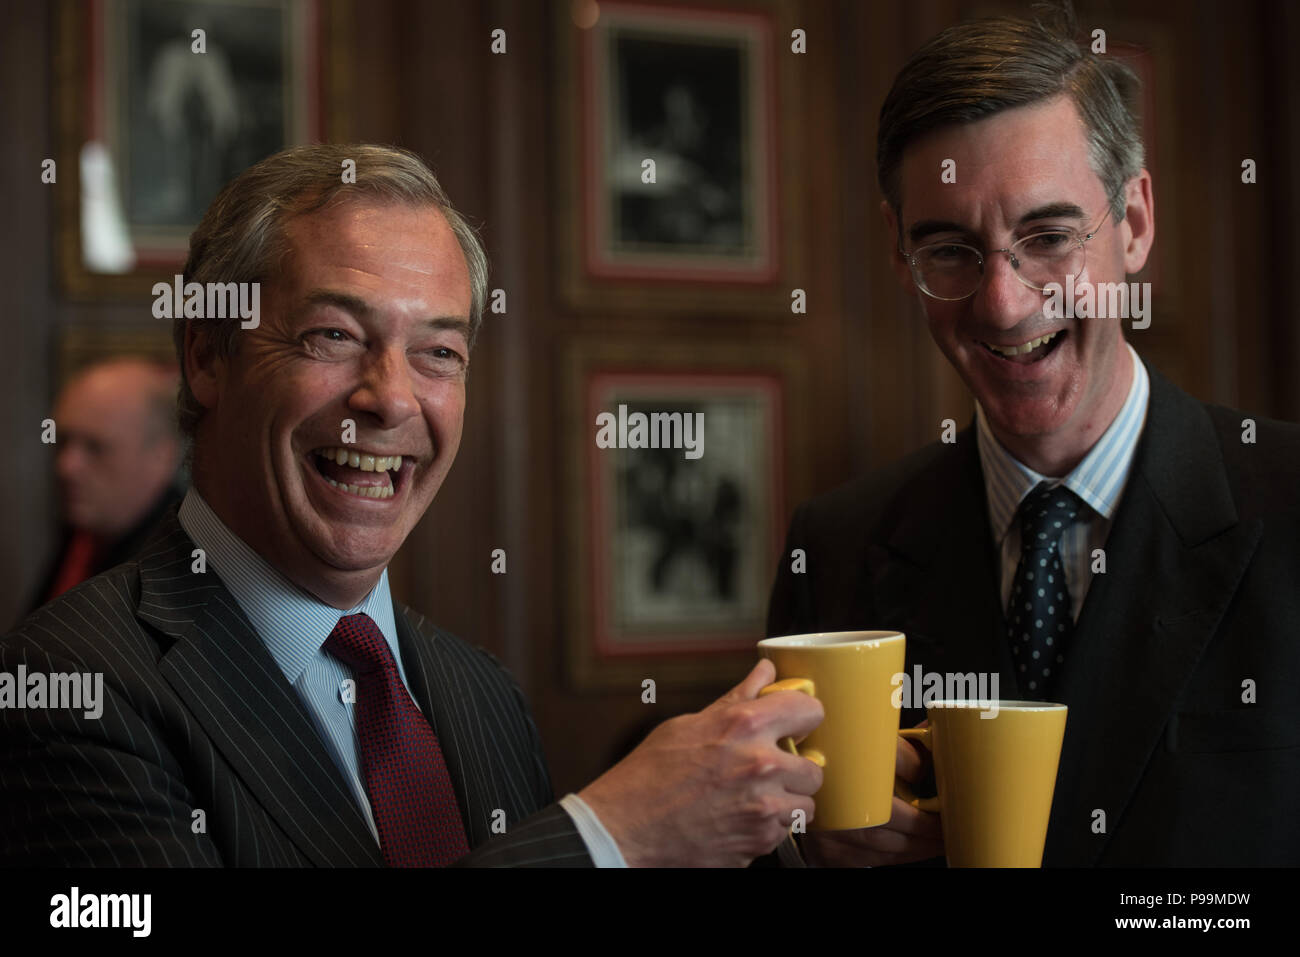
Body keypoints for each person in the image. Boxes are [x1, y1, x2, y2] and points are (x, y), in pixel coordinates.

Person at [0, 144, 823, 867]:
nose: (391, 398)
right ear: (207, 355)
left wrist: (773, 838)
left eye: (437, 351)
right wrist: (607, 836)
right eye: (334, 335)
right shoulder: (67, 682)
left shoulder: (482, 692)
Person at [768, 6, 1300, 866]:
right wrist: (802, 848)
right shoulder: (834, 548)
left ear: (1134, 223)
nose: (1004, 304)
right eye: (950, 250)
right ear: (900, 254)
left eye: (1048, 237)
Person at [25, 358, 185, 617]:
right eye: (62, 441)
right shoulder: (85, 535)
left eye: (95, 447)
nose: (66, 466)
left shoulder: (172, 571)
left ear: (162, 456)